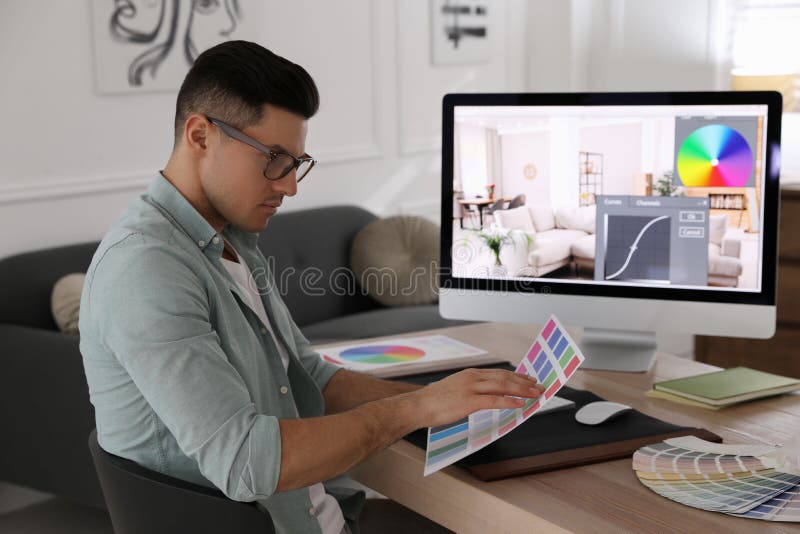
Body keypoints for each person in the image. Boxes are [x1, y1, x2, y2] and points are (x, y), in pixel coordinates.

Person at [79, 40, 544, 534]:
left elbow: (312, 380)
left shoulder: (232, 239)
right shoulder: (147, 270)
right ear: (200, 135)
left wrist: (447, 401)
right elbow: (247, 463)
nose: (290, 185)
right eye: (275, 158)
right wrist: (417, 409)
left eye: (296, 162)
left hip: (319, 513)